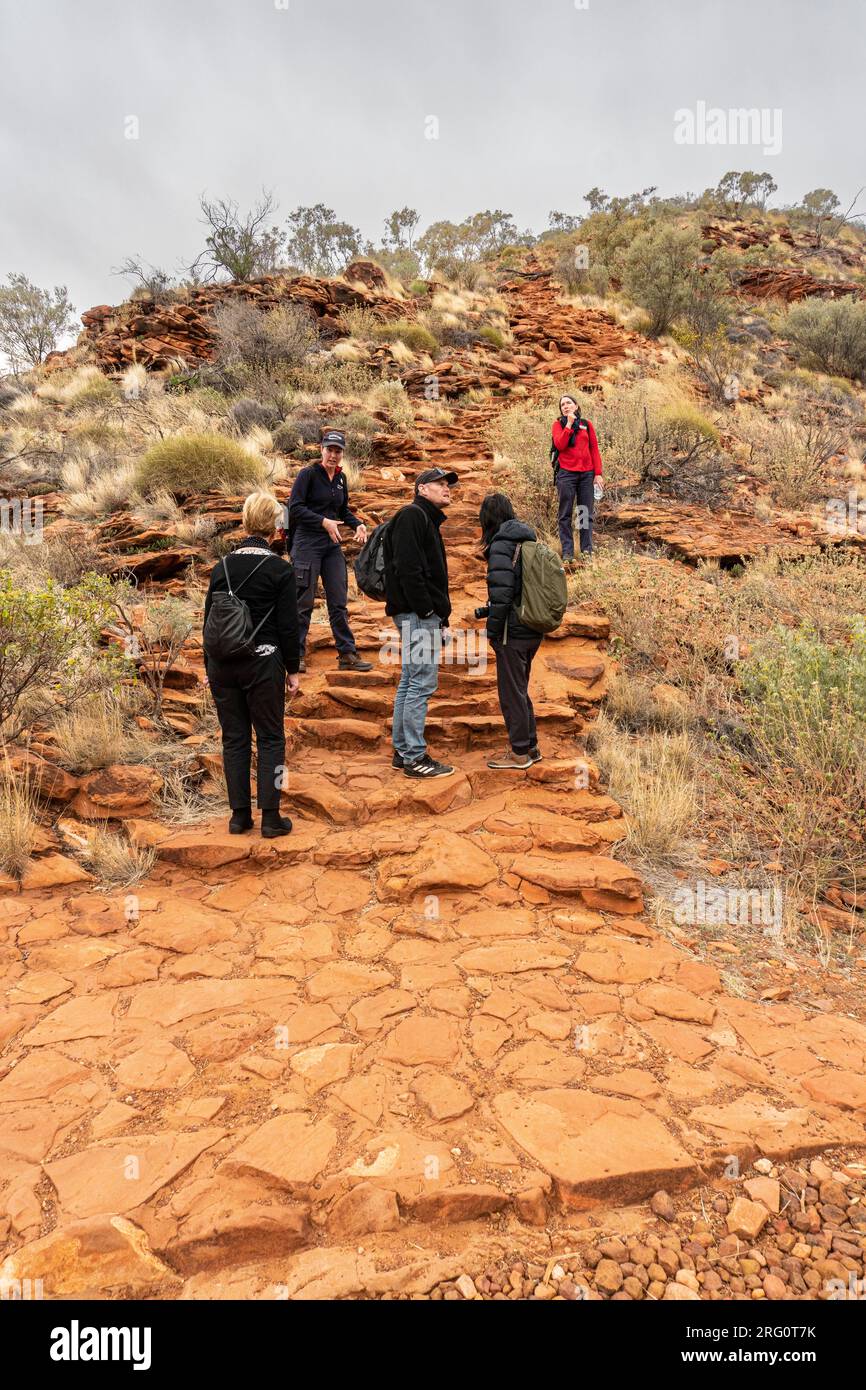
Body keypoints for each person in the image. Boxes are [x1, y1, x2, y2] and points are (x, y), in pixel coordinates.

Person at [204, 491, 300, 838]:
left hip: (222, 664)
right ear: (275, 527)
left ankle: (239, 816)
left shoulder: (222, 567)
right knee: (271, 737)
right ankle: (272, 818)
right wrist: (293, 669)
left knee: (234, 739)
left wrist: (207, 666)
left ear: (245, 523)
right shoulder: (280, 570)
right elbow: (290, 626)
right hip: (263, 662)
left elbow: (208, 622)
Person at [383, 466, 458, 778]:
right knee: (421, 683)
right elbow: (408, 570)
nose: (446, 488)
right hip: (417, 616)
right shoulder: (413, 516)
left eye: (448, 484)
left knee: (410, 681)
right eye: (439, 483)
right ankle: (415, 757)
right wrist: (428, 613)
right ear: (421, 489)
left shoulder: (424, 519)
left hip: (417, 615)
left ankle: (403, 752)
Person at [288, 429, 373, 673]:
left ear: (342, 453)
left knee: (338, 601)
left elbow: (342, 510)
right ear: (321, 450)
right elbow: (295, 508)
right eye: (330, 450)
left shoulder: (340, 478)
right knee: (303, 601)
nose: (333, 455)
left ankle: (347, 653)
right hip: (307, 543)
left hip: (331, 544)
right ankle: (296, 656)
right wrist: (322, 521)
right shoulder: (308, 475)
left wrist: (357, 524)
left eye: (338, 451)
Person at [477, 492, 543, 771]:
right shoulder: (529, 540)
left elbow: (503, 596)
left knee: (510, 692)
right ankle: (531, 746)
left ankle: (519, 754)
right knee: (519, 688)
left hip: (511, 632)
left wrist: (492, 632)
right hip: (532, 627)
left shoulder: (502, 545)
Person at [551, 393, 603, 562]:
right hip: (566, 474)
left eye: (568, 403)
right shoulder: (558, 425)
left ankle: (586, 551)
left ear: (576, 405)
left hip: (586, 475)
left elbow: (594, 449)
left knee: (584, 513)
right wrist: (569, 425)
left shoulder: (586, 425)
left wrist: (598, 474)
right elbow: (560, 444)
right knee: (565, 514)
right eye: (562, 405)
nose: (565, 406)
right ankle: (567, 553)